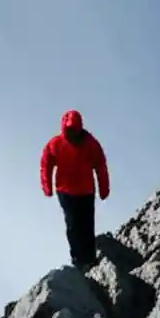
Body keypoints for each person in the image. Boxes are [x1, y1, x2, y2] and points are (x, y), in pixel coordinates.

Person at [40, 109, 110, 269]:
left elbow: (100, 166)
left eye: (74, 129)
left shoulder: (91, 144)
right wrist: (47, 186)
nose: (72, 133)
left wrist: (104, 189)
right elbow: (46, 165)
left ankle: (90, 259)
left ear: (80, 127)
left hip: (86, 192)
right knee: (72, 224)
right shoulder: (55, 144)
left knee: (86, 224)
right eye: (69, 129)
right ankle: (78, 259)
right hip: (65, 192)